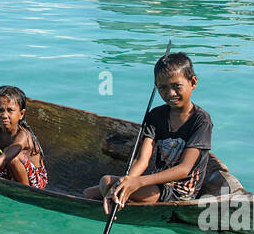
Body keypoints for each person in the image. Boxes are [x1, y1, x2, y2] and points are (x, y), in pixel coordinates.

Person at [83, 52, 212, 212]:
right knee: (91, 191)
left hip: (180, 192)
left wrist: (139, 182)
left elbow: (184, 169)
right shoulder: (156, 115)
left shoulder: (201, 120)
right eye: (163, 88)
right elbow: (142, 159)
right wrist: (128, 180)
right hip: (156, 183)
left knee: (107, 185)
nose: (170, 93)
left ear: (192, 82)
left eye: (176, 86)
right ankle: (124, 200)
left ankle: (127, 203)